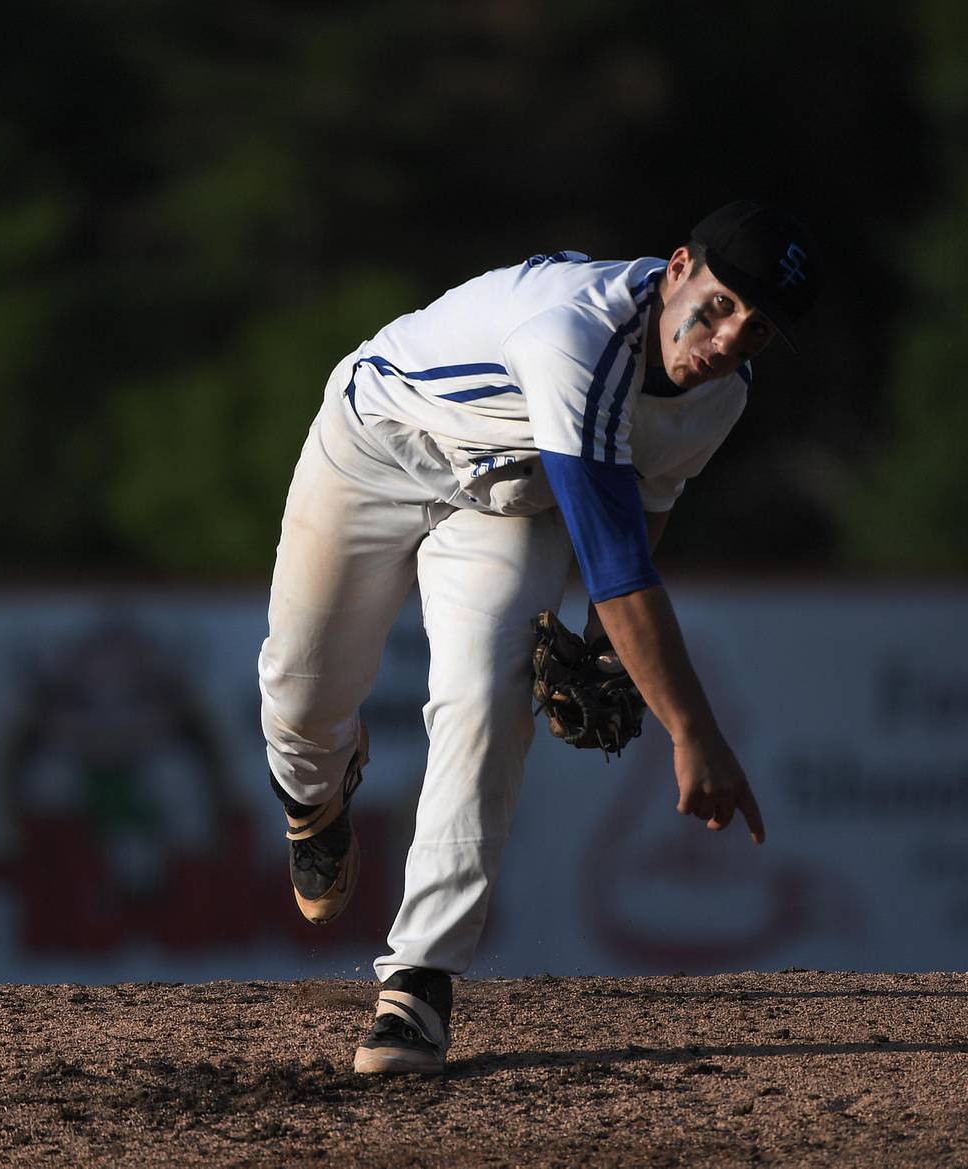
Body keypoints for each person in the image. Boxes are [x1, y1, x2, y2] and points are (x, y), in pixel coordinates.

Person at [257, 199, 821, 1075]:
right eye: (719, 302)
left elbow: (647, 510)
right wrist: (694, 731)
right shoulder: (580, 335)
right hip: (378, 443)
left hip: (505, 505)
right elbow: (617, 568)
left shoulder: (720, 398)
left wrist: (604, 645)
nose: (727, 337)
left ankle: (419, 980)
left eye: (756, 328)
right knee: (300, 692)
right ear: (678, 268)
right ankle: (313, 799)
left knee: (487, 700)